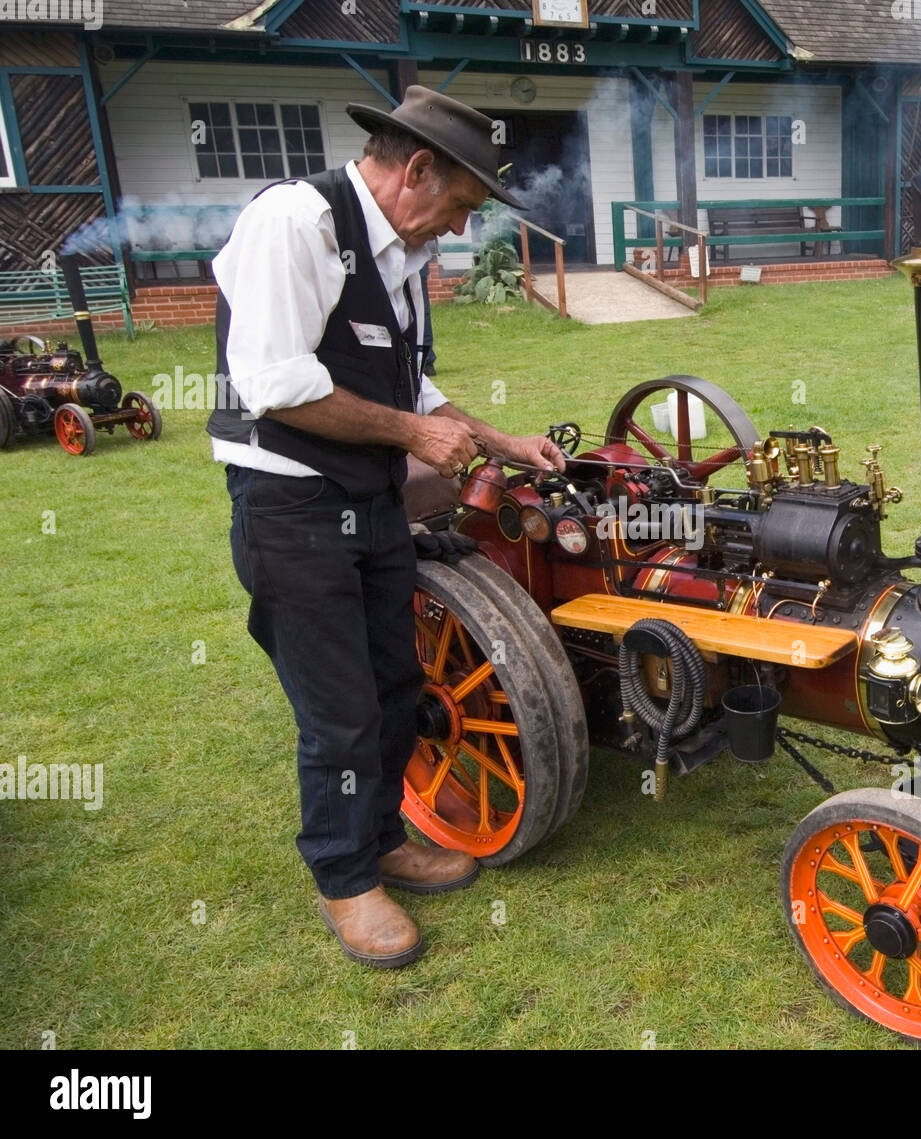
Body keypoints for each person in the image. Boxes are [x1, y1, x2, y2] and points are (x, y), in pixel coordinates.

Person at [206, 87, 567, 968]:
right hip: (290, 504)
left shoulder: (399, 256)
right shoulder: (295, 224)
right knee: (337, 712)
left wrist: (494, 436)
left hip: (369, 501)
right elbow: (276, 384)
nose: (454, 229)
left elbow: (415, 389)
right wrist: (414, 436)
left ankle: (383, 840)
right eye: (458, 208)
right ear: (414, 170)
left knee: (396, 683)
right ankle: (344, 879)